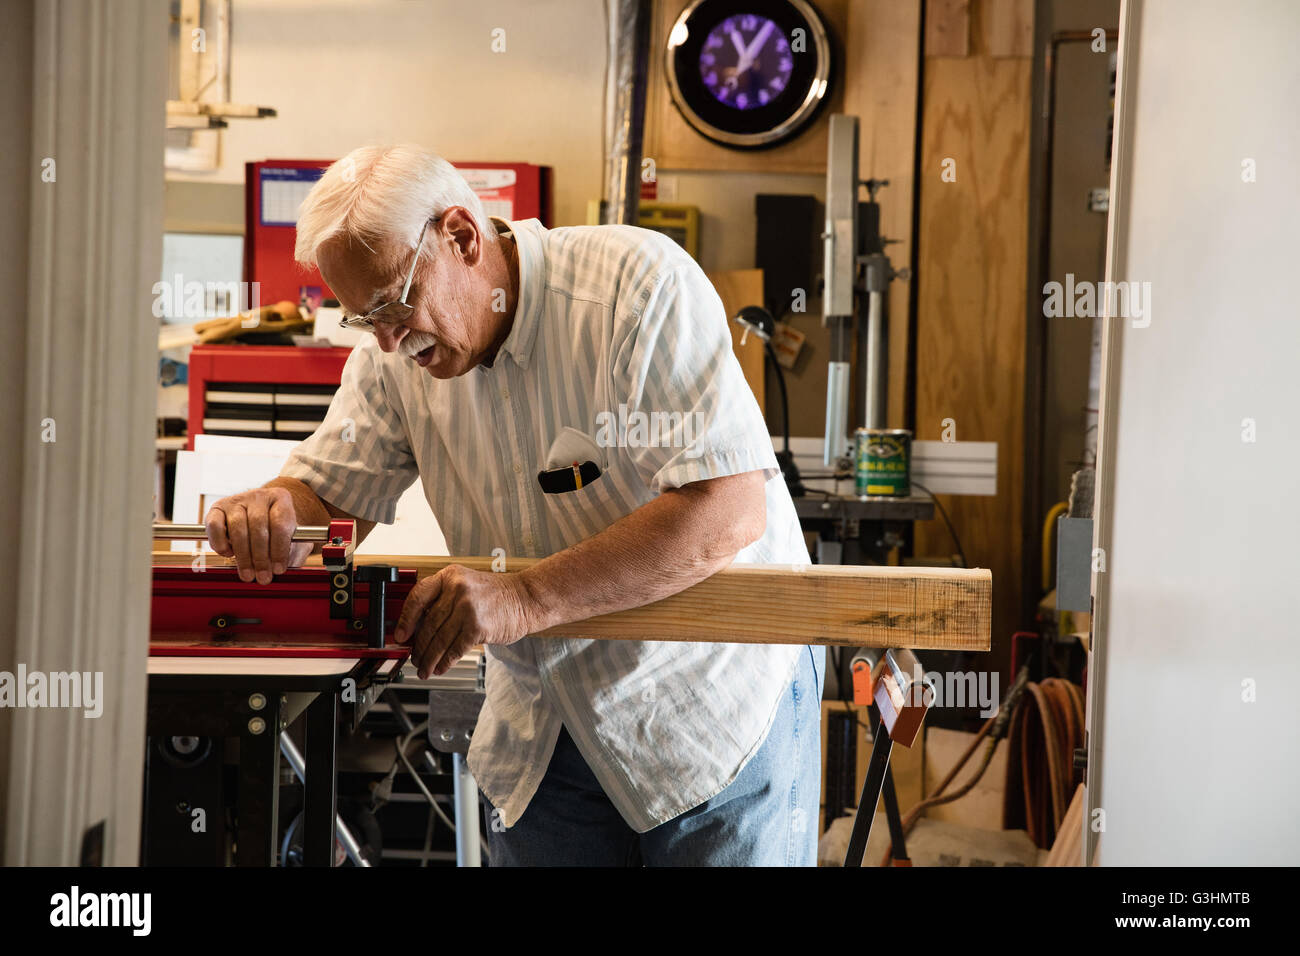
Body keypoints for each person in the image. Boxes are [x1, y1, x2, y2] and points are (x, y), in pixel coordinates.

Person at [204, 144, 824, 866]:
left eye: (391, 305)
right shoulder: (391, 356)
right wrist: (276, 512)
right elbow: (331, 495)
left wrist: (525, 598)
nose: (386, 340)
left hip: (704, 710)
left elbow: (725, 510)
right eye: (360, 318)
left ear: (461, 236)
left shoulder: (633, 287)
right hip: (547, 733)